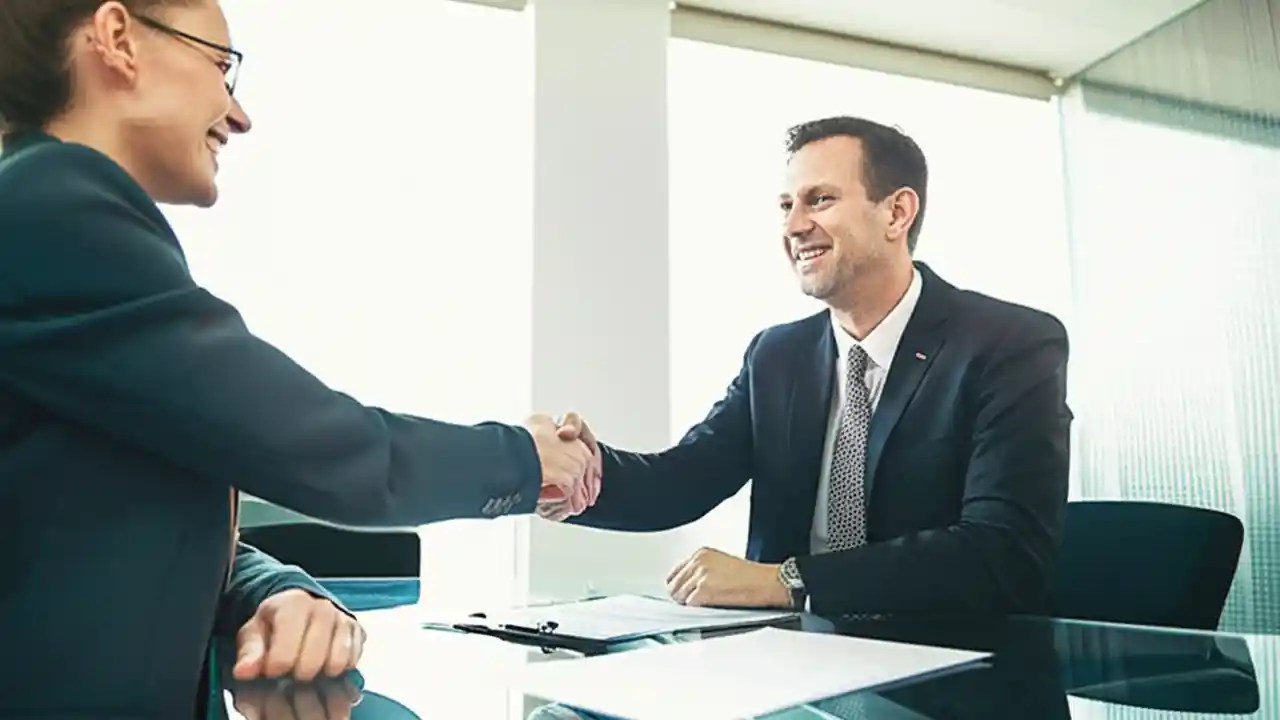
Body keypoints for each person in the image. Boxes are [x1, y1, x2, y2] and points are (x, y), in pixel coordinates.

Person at [0, 1, 598, 717]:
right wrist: (525, 459)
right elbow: (319, 446)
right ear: (119, 38)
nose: (239, 113)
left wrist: (275, 588)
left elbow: (115, 517)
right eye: (222, 67)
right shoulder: (49, 204)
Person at [546, 116, 1071, 618]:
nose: (794, 226)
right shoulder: (777, 355)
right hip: (790, 670)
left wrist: (788, 580)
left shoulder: (1010, 344)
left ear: (896, 213)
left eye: (819, 200)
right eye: (785, 205)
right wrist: (577, 473)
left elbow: (1003, 552)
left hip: (951, 676)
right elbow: (683, 480)